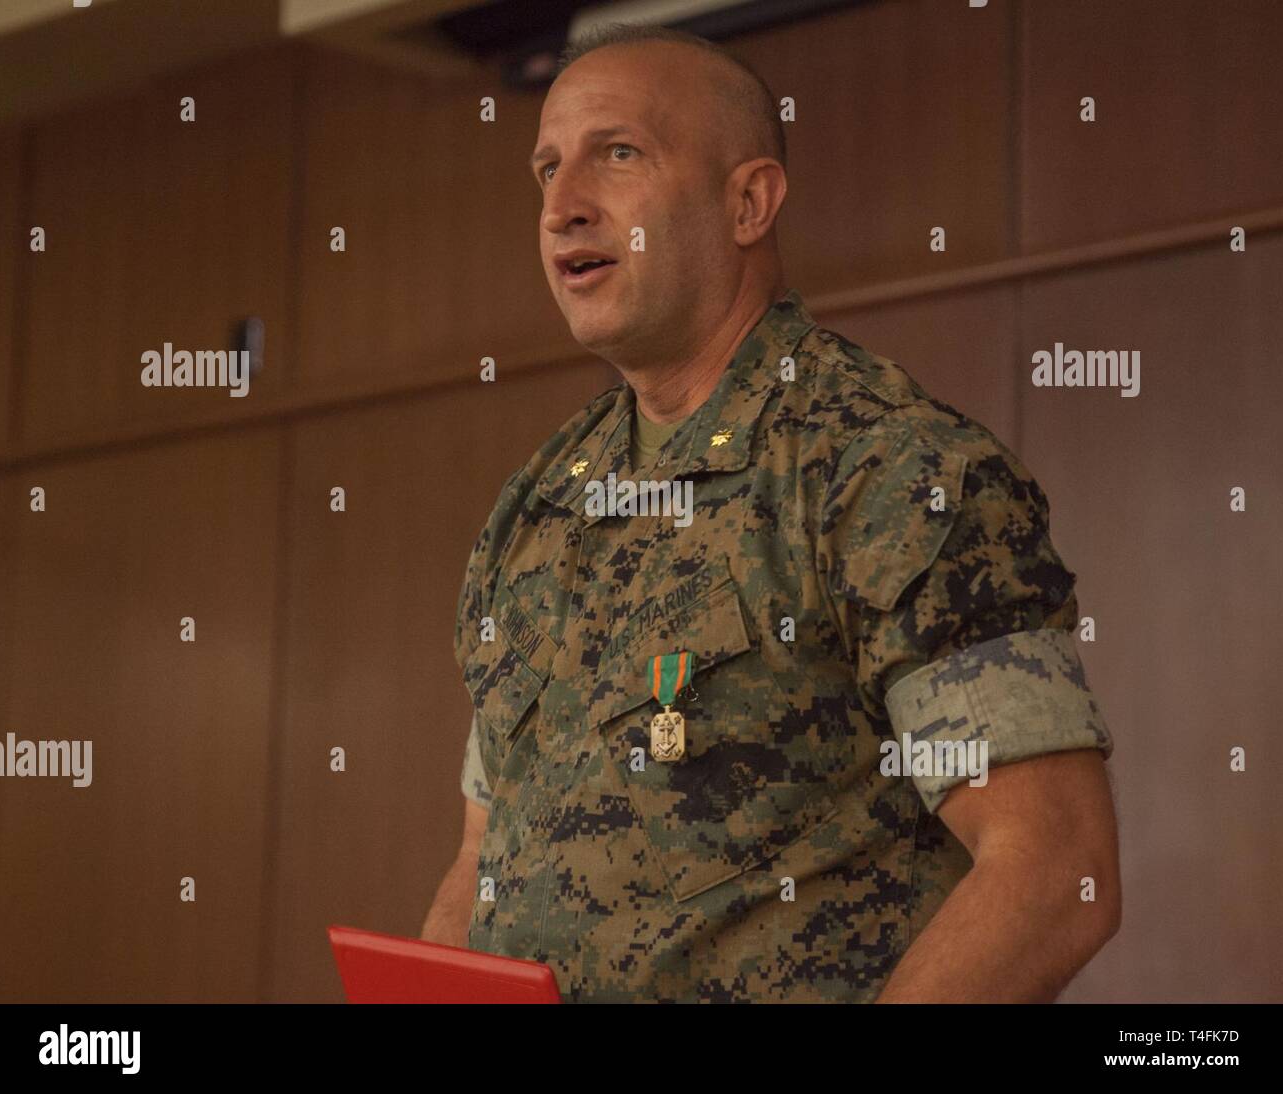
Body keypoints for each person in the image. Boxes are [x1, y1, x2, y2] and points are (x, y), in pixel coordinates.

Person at [421, 23, 1120, 1003]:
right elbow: (478, 855)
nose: (562, 206)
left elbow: (1053, 873)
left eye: (617, 154)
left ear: (747, 201)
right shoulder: (536, 507)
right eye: (546, 169)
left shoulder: (883, 467)